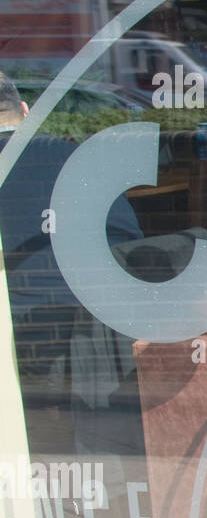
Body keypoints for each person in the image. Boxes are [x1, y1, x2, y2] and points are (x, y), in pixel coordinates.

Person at [0, 71, 142, 372]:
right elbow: (133, 251)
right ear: (26, 111)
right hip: (112, 343)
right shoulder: (81, 158)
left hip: (28, 361)